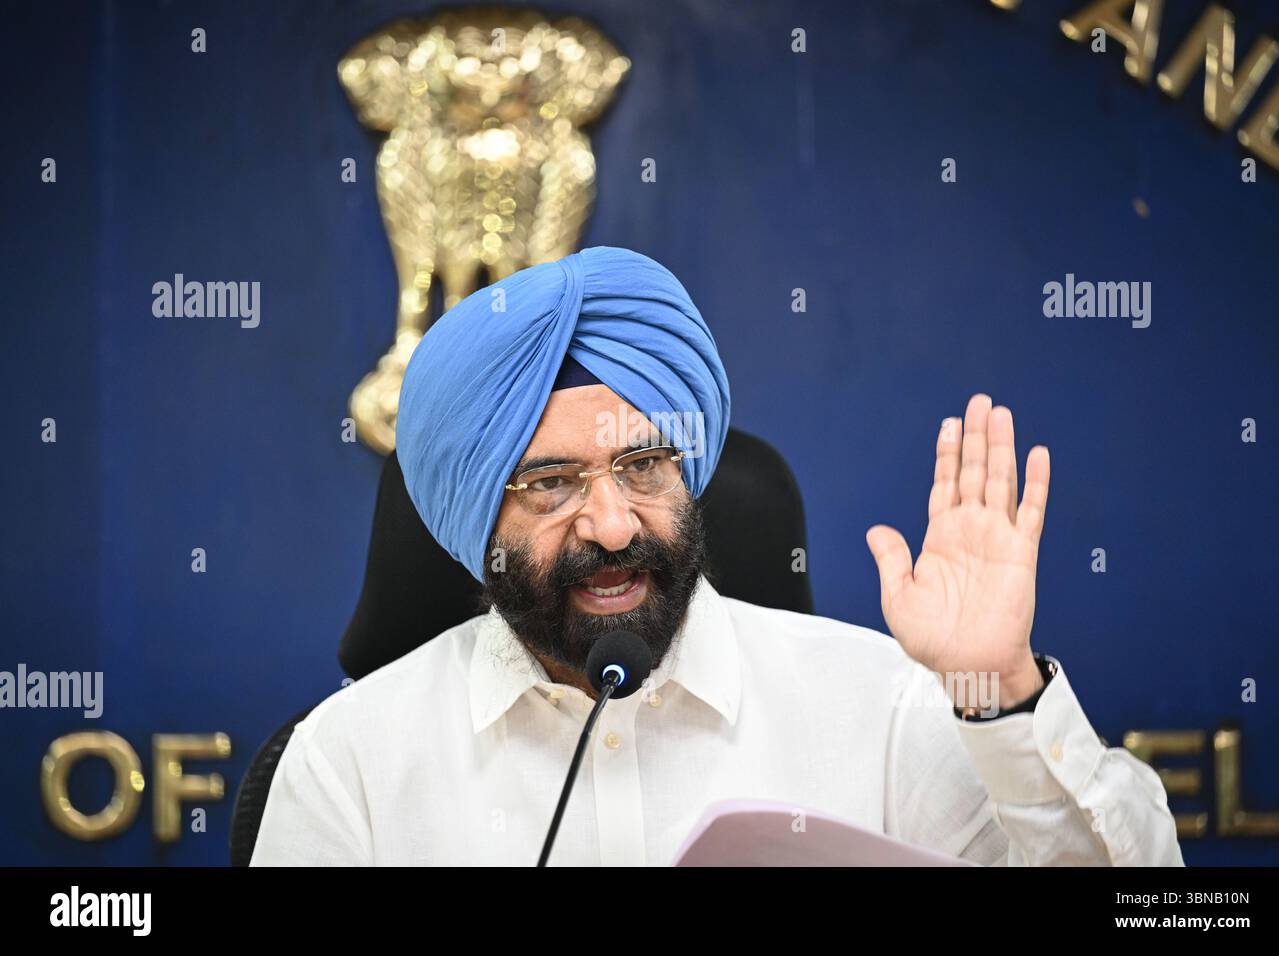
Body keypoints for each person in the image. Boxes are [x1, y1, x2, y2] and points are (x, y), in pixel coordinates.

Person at [250, 246, 1183, 866]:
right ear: (472, 523)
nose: (613, 525)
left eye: (645, 464)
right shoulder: (353, 762)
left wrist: (1002, 693)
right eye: (551, 483)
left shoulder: (890, 708)